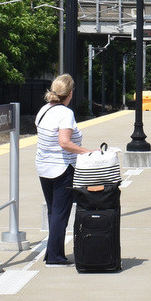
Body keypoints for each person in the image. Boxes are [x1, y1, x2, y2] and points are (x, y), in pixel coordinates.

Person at [34, 75, 91, 266]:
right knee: (61, 213)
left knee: (53, 211)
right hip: (62, 169)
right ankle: (54, 257)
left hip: (43, 167)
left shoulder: (44, 110)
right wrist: (88, 152)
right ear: (70, 93)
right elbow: (64, 142)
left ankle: (52, 252)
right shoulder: (65, 114)